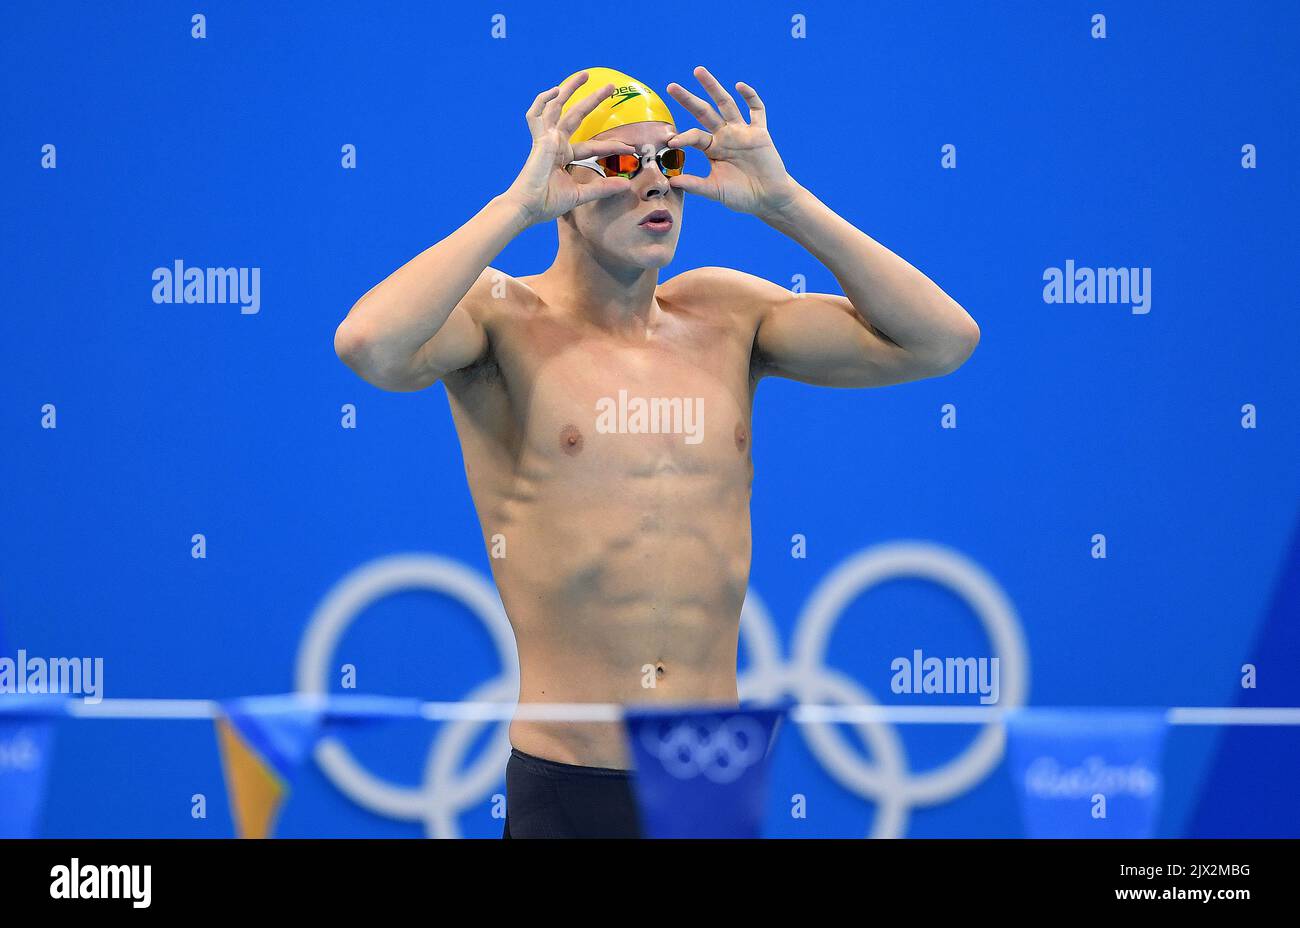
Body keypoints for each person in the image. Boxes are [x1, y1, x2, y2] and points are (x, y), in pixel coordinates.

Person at [333, 66, 980, 837]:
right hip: (571, 781)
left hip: (708, 783)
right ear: (562, 185)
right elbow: (368, 344)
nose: (654, 184)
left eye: (667, 160)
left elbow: (942, 341)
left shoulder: (727, 315)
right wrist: (514, 208)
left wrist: (787, 203)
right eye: (617, 163)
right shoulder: (502, 320)